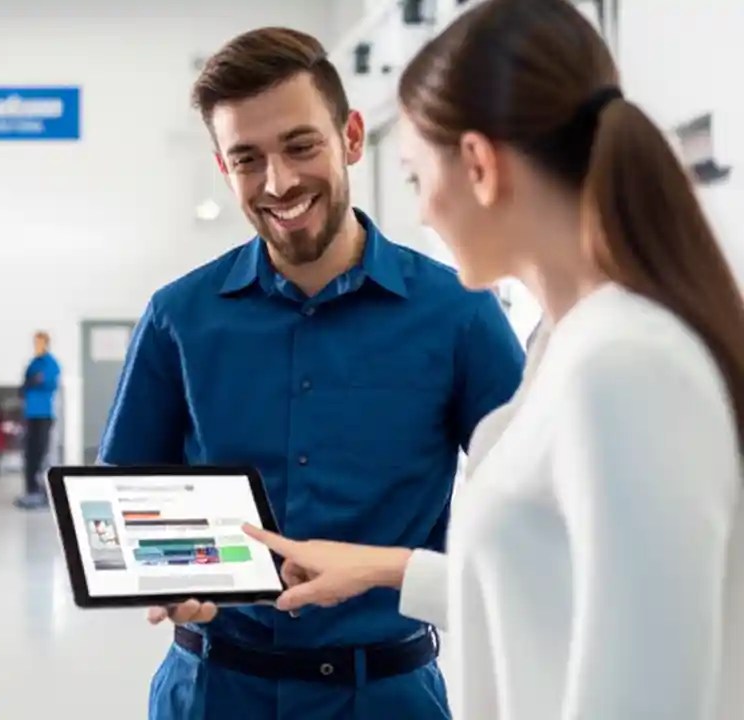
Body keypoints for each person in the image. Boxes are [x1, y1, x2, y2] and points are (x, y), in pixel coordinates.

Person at [232, 1, 744, 718]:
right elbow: (549, 585)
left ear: (476, 164)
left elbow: (646, 697)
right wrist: (386, 569)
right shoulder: (567, 347)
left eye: (414, 177)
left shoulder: (623, 364)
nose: (422, 213)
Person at [97, 26, 527, 720]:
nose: (279, 183)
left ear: (352, 137)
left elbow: (532, 506)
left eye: (301, 146)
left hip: (385, 697)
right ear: (223, 168)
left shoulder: (459, 314)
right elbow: (124, 497)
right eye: (247, 159)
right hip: (211, 694)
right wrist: (163, 581)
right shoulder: (179, 317)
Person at [15, 331, 60, 509]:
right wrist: (32, 381)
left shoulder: (51, 363)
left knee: (42, 454)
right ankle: (30, 491)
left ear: (47, 343)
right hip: (30, 414)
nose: (37, 345)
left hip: (44, 415)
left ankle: (42, 493)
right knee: (29, 455)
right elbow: (26, 384)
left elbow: (47, 382)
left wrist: (34, 381)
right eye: (35, 342)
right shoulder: (33, 363)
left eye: (40, 342)